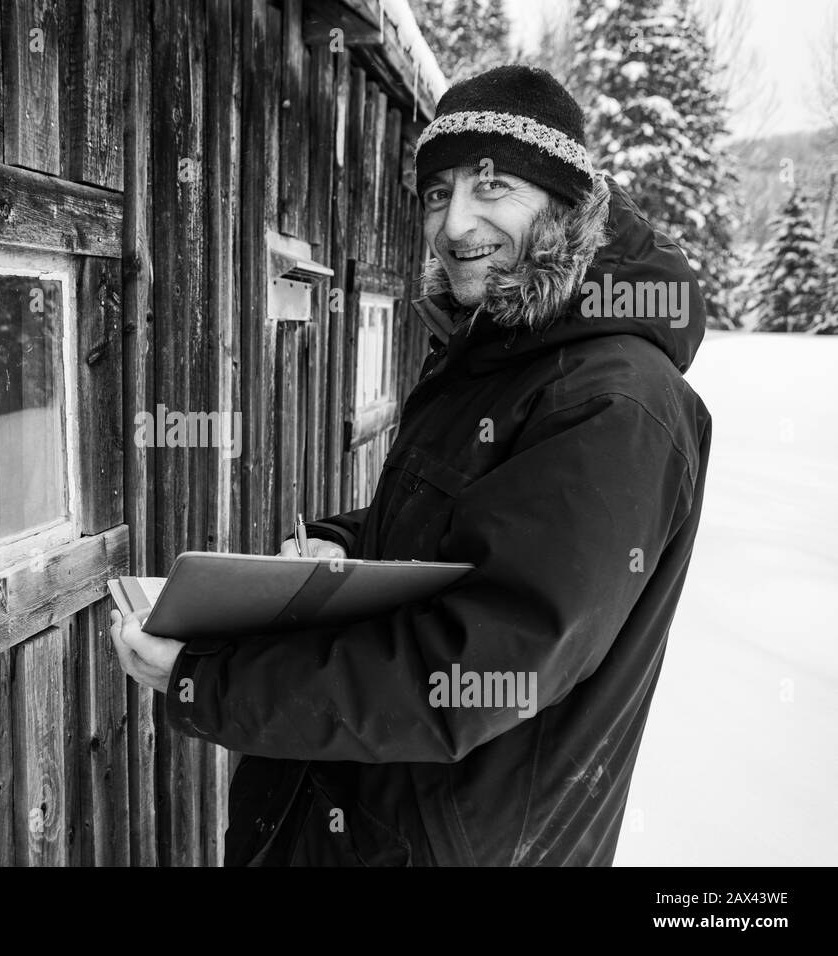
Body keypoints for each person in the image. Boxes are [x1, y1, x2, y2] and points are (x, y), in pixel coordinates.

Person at [109, 65, 713, 866]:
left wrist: (212, 683)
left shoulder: (616, 402)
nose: (455, 222)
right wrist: (340, 547)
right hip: (354, 818)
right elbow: (459, 536)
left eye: (491, 187)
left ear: (565, 205)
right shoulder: (496, 351)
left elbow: (482, 662)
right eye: (436, 192)